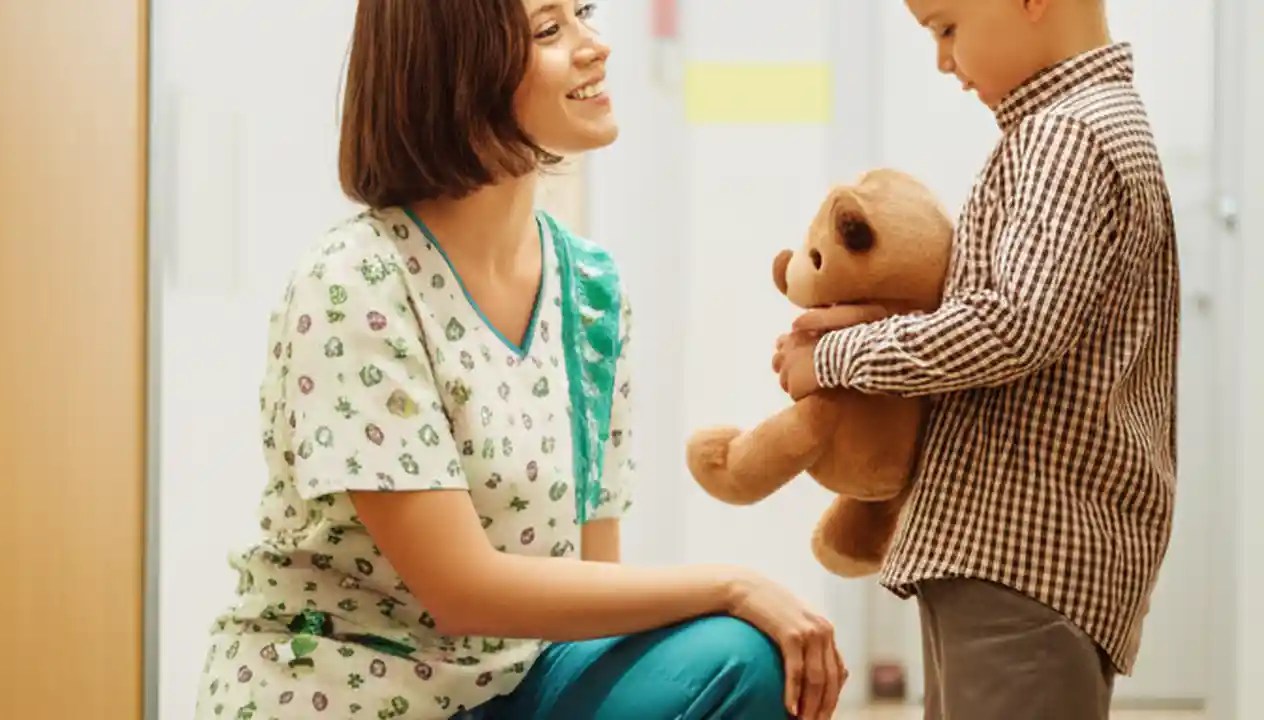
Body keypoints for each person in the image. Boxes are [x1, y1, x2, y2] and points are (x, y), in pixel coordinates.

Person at [194, 1, 846, 719]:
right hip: (348, 687)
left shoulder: (591, 289)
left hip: (515, 683)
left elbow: (596, 583)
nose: (594, 45)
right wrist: (733, 584)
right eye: (549, 29)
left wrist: (735, 610)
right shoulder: (356, 280)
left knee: (742, 659)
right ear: (458, 70)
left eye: (585, 13)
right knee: (739, 615)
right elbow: (459, 591)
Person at [775, 1, 1178, 719]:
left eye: (946, 28)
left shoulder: (1066, 135)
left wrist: (835, 358)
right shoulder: (1091, 123)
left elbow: (1014, 324)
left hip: (1022, 550)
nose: (943, 62)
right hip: (1017, 552)